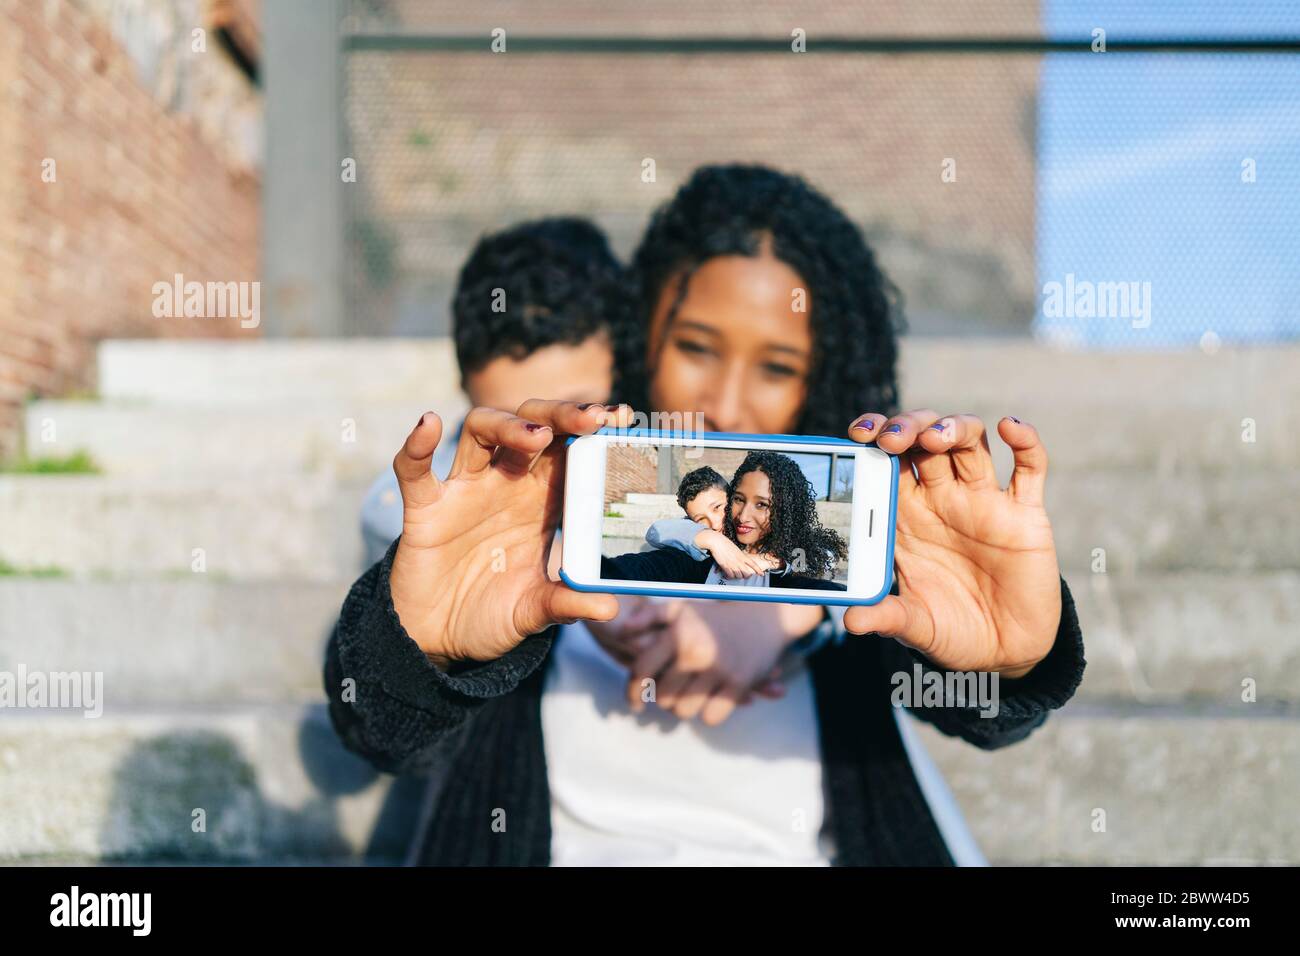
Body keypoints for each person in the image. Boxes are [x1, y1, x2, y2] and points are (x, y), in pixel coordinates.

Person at [325, 164, 1085, 866]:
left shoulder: (861, 569)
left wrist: (807, 616)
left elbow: (989, 715)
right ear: (639, 335)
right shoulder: (524, 521)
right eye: (695, 346)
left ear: (826, 374)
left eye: (778, 366)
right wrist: (438, 649)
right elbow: (378, 725)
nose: (723, 402)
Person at [360, 217, 620, 565]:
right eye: (518, 428)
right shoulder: (411, 517)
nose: (551, 452)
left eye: (586, 418)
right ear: (465, 388)